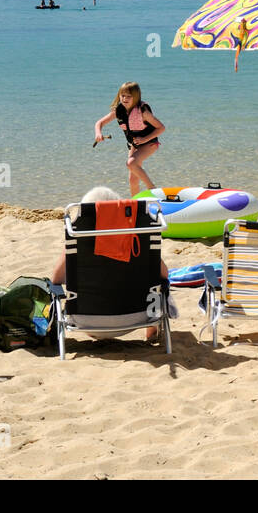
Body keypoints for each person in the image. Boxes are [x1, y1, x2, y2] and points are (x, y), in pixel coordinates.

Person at [50, 187, 175, 340]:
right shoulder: (139, 242)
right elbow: (164, 275)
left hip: (86, 320)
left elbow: (56, 280)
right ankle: (151, 332)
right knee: (156, 283)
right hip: (140, 317)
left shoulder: (79, 240)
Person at [93, 82, 165, 196]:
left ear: (136, 97)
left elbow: (161, 128)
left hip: (149, 143)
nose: (125, 98)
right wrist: (98, 133)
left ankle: (152, 188)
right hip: (134, 144)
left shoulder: (143, 112)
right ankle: (135, 204)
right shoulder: (118, 110)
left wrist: (144, 139)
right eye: (122, 95)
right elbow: (100, 123)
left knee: (131, 163)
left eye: (129, 96)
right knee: (132, 179)